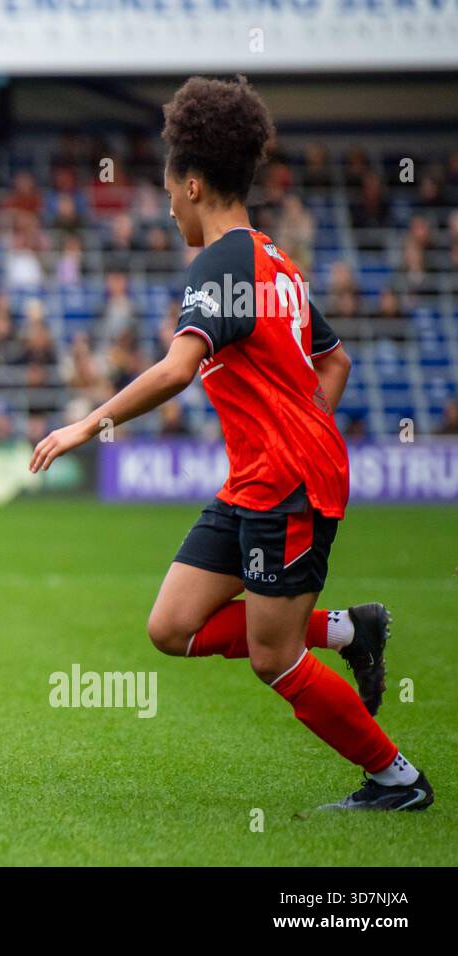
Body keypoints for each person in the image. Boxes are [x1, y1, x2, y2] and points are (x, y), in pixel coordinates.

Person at [29, 76, 431, 812]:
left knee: (274, 658)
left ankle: (396, 778)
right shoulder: (274, 261)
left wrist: (88, 422)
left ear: (192, 183)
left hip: (287, 483)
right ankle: (351, 628)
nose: (168, 205)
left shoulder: (220, 265)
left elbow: (180, 368)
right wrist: (305, 425)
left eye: (169, 190)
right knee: (171, 627)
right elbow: (334, 360)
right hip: (261, 478)